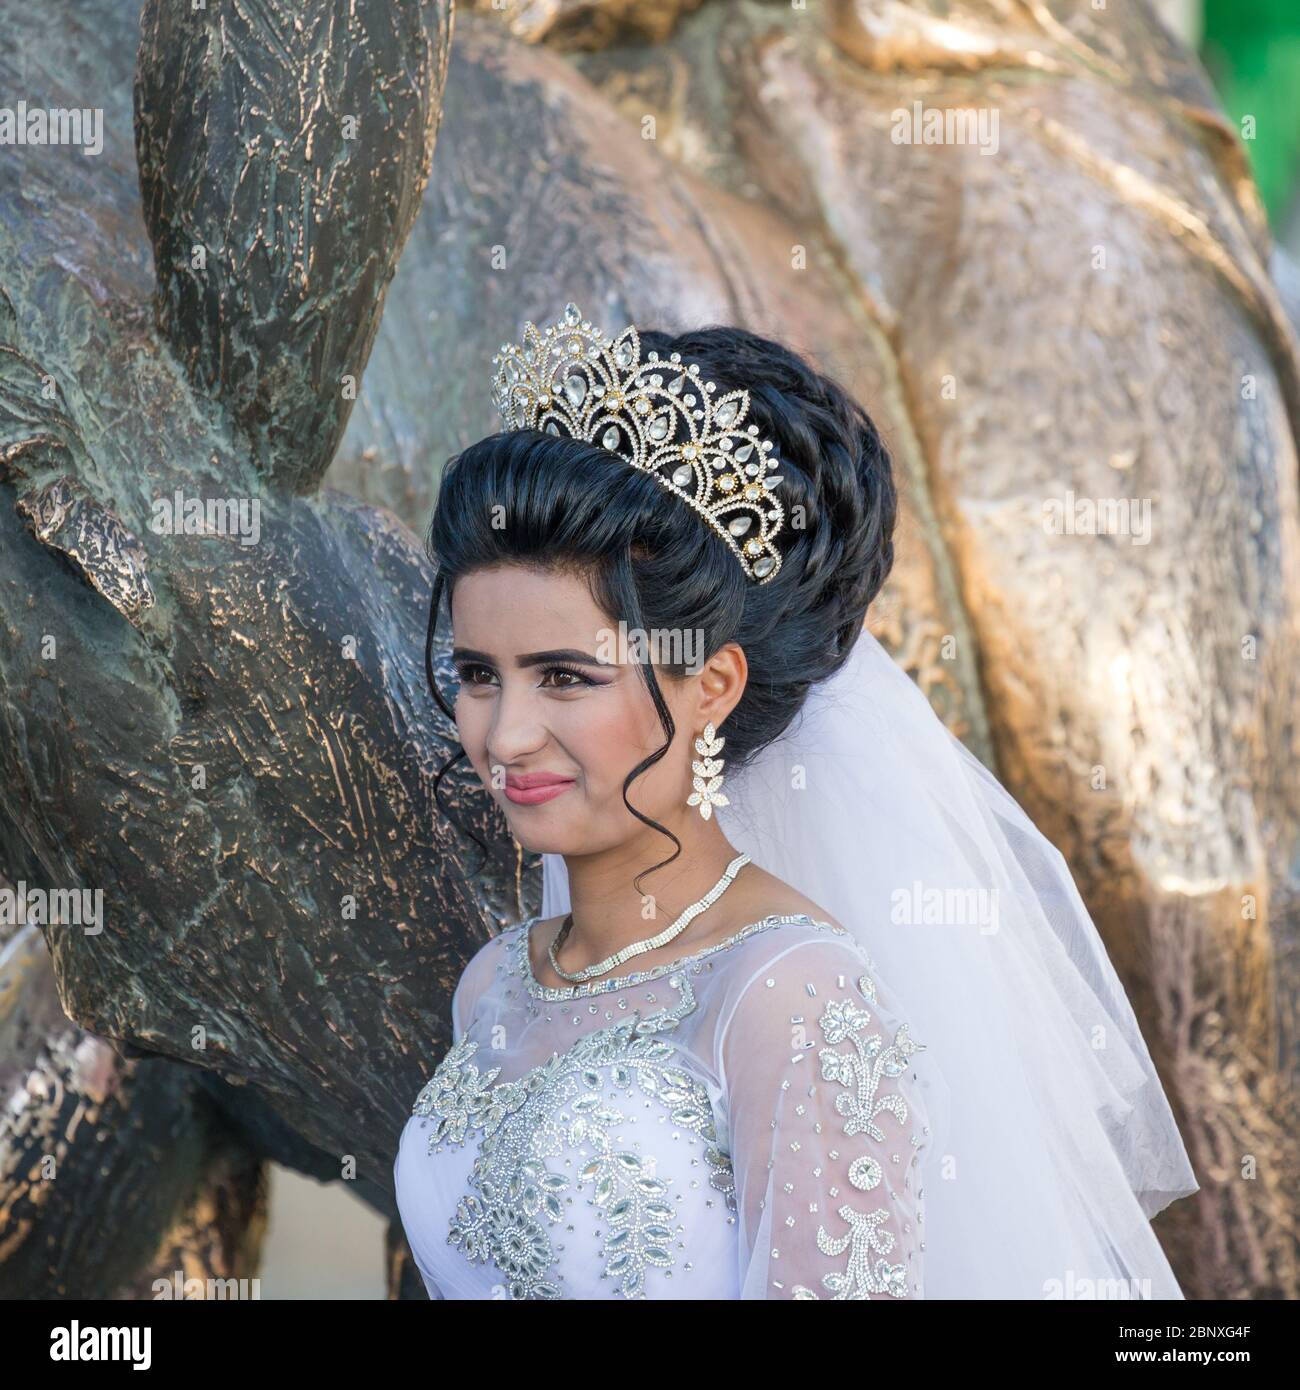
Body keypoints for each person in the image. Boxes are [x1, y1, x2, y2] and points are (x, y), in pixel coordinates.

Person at [392, 301, 1198, 1300]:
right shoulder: (494, 984)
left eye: (564, 677)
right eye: (478, 673)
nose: (504, 734)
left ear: (713, 685)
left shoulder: (792, 997)